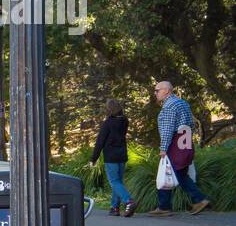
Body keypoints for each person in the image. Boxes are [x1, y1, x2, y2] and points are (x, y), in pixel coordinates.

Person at [149, 80, 211, 217]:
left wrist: (163, 148)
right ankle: (165, 205)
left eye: (157, 90)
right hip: (186, 143)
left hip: (174, 145)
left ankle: (198, 199)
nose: (155, 93)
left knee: (171, 172)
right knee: (177, 172)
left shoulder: (169, 107)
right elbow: (192, 126)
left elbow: (167, 130)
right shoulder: (183, 103)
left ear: (167, 90)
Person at [89, 98, 134, 217]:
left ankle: (128, 201)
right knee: (118, 181)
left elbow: (100, 142)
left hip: (111, 156)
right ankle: (114, 208)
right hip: (122, 155)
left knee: (114, 182)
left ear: (108, 110)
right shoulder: (124, 121)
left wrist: (93, 159)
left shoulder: (107, 123)